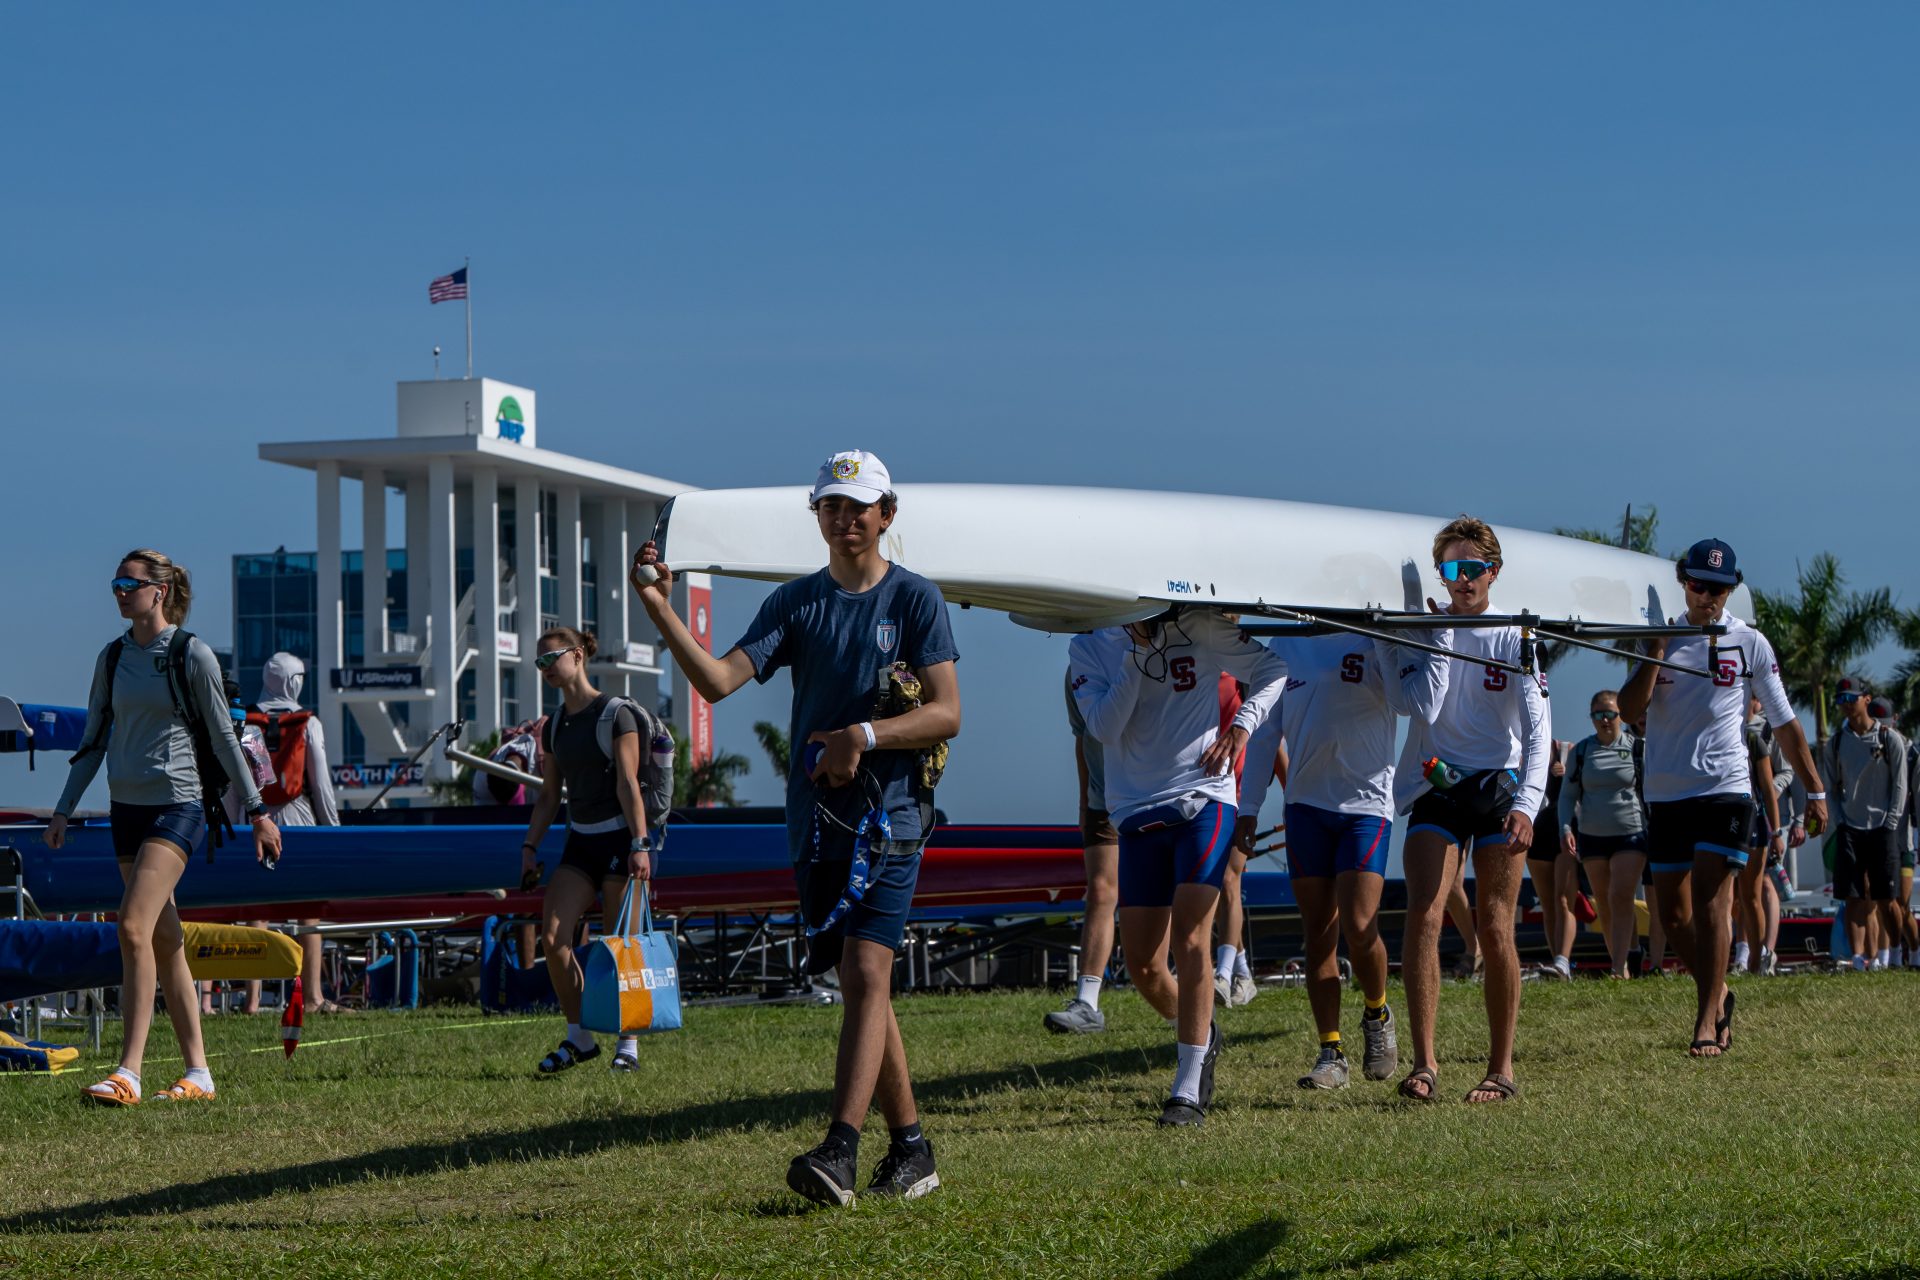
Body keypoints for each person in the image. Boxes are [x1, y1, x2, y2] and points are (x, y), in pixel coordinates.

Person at [636, 450, 959, 1206]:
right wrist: (659, 609)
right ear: (817, 516)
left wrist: (863, 737)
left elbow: (947, 712)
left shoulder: (916, 599)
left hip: (892, 818)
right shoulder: (796, 602)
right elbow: (719, 680)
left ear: (887, 514)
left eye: (858, 507)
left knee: (866, 973)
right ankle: (912, 1149)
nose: (844, 520)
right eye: (830, 507)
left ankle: (839, 1150)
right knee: (860, 981)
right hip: (817, 824)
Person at [46, 549, 283, 1105]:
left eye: (130, 583)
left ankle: (127, 1071)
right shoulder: (111, 658)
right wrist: (62, 809)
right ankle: (199, 1074)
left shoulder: (190, 654)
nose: (120, 592)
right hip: (125, 808)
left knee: (132, 926)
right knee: (164, 938)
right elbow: (93, 741)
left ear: (160, 590)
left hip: (178, 805)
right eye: (116, 583)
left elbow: (223, 738)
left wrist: (257, 811)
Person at [1068, 609, 1286, 1126]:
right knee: (1144, 967)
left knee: (1191, 936)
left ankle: (1187, 1088)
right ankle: (1203, 1032)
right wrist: (1138, 651)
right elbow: (1104, 727)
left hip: (1204, 796)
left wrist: (1242, 728)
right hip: (1136, 810)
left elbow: (1273, 669)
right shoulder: (1087, 646)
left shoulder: (1199, 625)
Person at [1618, 538, 1826, 1057]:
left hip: (1725, 788)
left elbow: (1785, 723)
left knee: (1714, 903)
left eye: (1717, 588)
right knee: (1673, 916)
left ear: (1731, 590)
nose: (1706, 596)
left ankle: (1706, 1020)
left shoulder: (1749, 642)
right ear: (1683, 582)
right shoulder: (1660, 637)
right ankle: (1720, 992)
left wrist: (1816, 789)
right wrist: (1656, 652)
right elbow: (1629, 710)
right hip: (1666, 792)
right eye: (1697, 584)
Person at [1240, 622, 1446, 1089]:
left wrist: (1400, 638)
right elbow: (1266, 732)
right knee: (1318, 934)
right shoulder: (1285, 643)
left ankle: (1377, 1012)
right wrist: (1248, 807)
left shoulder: (1374, 635)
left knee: (1359, 924)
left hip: (1365, 806)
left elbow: (1408, 702)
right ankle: (1331, 1052)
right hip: (1305, 806)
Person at [1393, 516, 1544, 1104]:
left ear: (1493, 572)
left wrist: (1528, 805)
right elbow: (1418, 706)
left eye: (1472, 568)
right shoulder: (1430, 630)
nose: (1462, 579)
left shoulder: (1514, 636)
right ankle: (1425, 1063)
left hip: (1498, 787)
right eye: (1450, 569)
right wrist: (1435, 635)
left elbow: (1538, 729)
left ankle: (1501, 1068)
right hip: (1438, 784)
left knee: (1495, 924)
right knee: (1425, 915)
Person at [516, 627, 652, 1074]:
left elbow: (628, 783)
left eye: (551, 658)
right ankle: (580, 1037)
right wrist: (530, 846)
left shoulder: (616, 714)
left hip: (621, 840)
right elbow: (549, 795)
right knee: (553, 938)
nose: (545, 668)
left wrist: (640, 844)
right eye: (539, 662)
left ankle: (628, 1044)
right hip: (581, 840)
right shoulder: (554, 725)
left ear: (577, 655)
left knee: (620, 948)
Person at [245, 653, 344, 1013]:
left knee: (256, 909)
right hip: (298, 818)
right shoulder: (308, 723)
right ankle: (313, 995)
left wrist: (234, 826)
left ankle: (252, 1000)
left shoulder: (246, 723)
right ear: (293, 682)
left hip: (255, 819)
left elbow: (234, 784)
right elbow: (321, 785)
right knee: (308, 909)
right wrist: (333, 831)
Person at [1045, 665, 1121, 1034]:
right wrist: (1083, 802)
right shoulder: (1076, 670)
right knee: (1100, 891)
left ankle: (1185, 989)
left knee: (1160, 897)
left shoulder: (1144, 655)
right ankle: (1087, 1003)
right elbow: (1082, 739)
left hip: (1149, 796)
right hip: (1101, 800)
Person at [1820, 677, 1907, 972]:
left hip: (1883, 827)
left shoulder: (1888, 738)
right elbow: (1830, 787)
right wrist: (1840, 820)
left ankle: (1894, 953)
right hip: (1850, 828)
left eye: (1851, 698)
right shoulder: (1836, 743)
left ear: (1866, 699)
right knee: (1853, 897)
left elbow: (1900, 785)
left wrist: (1891, 820)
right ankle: (1858, 959)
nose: (1845, 704)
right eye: (1840, 699)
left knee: (1886, 898)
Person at [1562, 691, 1649, 978]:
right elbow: (1567, 795)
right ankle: (1628, 953)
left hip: (1630, 832)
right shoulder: (1582, 751)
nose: (1604, 720)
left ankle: (1617, 968)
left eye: (1610, 713)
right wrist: (1565, 828)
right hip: (1592, 834)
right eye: (1598, 714)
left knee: (1620, 895)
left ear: (1621, 715)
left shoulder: (1638, 748)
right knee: (1604, 900)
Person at [1732, 697, 1789, 976]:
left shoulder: (1759, 734)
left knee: (1754, 891)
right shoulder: (1708, 731)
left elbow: (1770, 786)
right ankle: (1741, 954)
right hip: (1724, 819)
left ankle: (1760, 955)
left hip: (1755, 818)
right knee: (1730, 895)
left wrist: (1777, 831)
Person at [1211, 672, 1257, 1007]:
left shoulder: (1242, 677)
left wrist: (1293, 803)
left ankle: (1224, 976)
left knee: (1229, 880)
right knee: (1214, 886)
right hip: (1204, 795)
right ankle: (1243, 972)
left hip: (1239, 797)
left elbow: (1273, 745)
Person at [1528, 739, 1577, 979]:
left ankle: (1562, 960)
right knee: (1547, 904)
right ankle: (1557, 964)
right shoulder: (1522, 755)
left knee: (1563, 899)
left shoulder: (1568, 751)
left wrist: (1567, 774)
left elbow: (1587, 784)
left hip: (1565, 833)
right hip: (1536, 835)